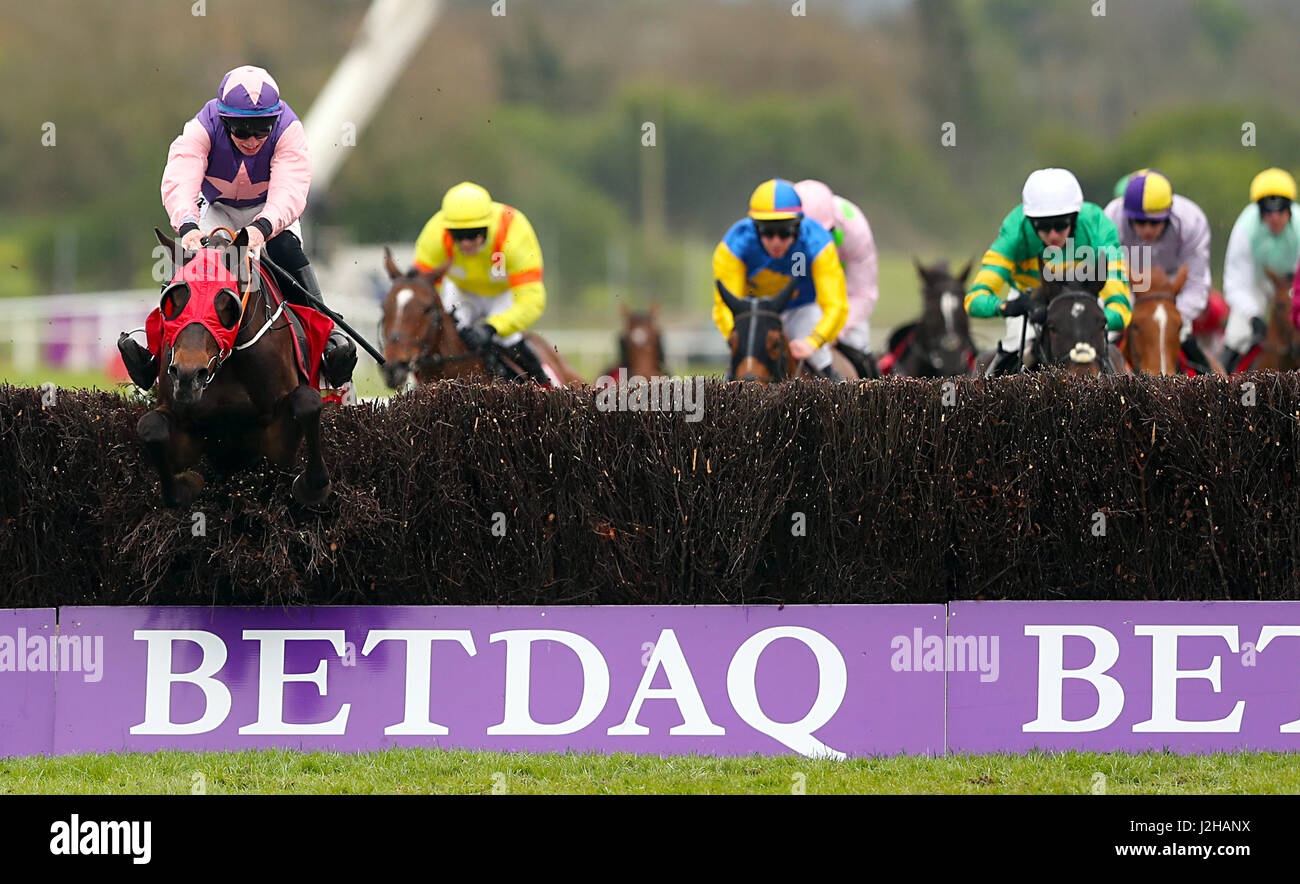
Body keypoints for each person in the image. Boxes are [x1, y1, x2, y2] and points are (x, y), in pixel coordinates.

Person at [119, 65, 356, 391]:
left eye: (262, 130)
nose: (253, 139)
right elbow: (181, 175)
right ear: (224, 120)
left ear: (274, 121)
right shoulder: (202, 127)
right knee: (188, 264)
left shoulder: (289, 130)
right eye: (242, 130)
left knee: (286, 251)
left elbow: (289, 190)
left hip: (270, 211)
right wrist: (188, 227)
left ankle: (331, 341)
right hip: (218, 210)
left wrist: (261, 229)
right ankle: (154, 352)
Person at [965, 168, 1131, 374]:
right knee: (1011, 352)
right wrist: (1009, 306)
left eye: (1061, 225)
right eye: (1043, 226)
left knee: (1115, 359)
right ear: (1031, 222)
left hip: (1086, 300)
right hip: (1031, 299)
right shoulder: (1015, 231)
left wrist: (1093, 320)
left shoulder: (1096, 224)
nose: (1053, 235)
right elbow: (974, 300)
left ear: (1074, 218)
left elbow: (1120, 307)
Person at [408, 182, 550, 383]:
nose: (465, 242)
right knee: (443, 335)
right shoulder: (434, 234)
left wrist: (492, 327)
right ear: (447, 229)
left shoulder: (513, 229)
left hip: (504, 294)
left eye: (473, 233)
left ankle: (544, 387)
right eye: (458, 235)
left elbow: (532, 299)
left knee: (507, 338)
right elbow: (424, 293)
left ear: (487, 227)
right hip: (461, 291)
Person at [711, 178, 849, 379]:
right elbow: (725, 306)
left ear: (798, 226)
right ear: (755, 227)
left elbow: (836, 305)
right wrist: (737, 335)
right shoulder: (734, 245)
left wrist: (813, 341)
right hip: (755, 312)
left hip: (801, 309)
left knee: (821, 358)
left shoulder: (816, 242)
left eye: (785, 232)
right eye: (767, 232)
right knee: (738, 367)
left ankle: (834, 383)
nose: (776, 242)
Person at [1103, 169, 1214, 372]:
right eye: (1139, 222)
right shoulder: (1111, 218)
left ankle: (1216, 386)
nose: (1147, 229)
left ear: (1169, 214)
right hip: (1129, 286)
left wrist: (1173, 316)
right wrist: (1123, 309)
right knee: (1105, 338)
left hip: (1173, 288)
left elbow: (1197, 283)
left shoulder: (1192, 221)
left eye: (1154, 222)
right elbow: (1108, 276)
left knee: (1183, 338)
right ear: (1128, 216)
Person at [792, 180, 879, 375]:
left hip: (846, 296)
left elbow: (863, 293)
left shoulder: (856, 231)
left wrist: (834, 331)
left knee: (858, 344)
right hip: (805, 296)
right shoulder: (784, 230)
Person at [1221, 168, 1300, 371]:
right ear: (1259, 211)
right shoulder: (1244, 229)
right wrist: (1254, 316)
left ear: (1290, 209)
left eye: (1281, 209)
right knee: (1238, 334)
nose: (1275, 217)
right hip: (1255, 285)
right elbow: (1235, 283)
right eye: (1267, 211)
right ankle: (1223, 385)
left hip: (1294, 285)